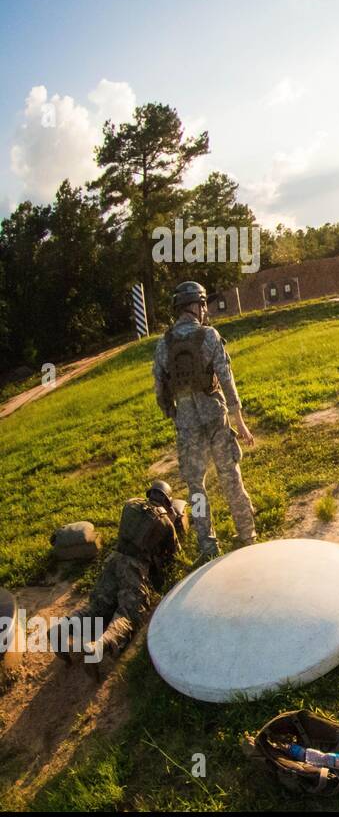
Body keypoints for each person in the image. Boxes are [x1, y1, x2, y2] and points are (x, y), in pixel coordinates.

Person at [152, 281, 256, 562]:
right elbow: (226, 379)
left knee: (196, 487)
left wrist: (176, 414)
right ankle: (247, 535)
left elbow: (160, 391)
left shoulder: (164, 344)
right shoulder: (209, 336)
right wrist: (240, 420)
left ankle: (208, 546)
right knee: (230, 477)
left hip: (187, 426)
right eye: (203, 304)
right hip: (214, 417)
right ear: (198, 306)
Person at [60, 480, 187, 675]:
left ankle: (63, 628)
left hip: (114, 560)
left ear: (150, 493)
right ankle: (99, 646)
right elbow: (174, 554)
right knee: (129, 614)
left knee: (98, 606)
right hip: (134, 568)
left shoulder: (130, 504)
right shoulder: (165, 523)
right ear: (167, 501)